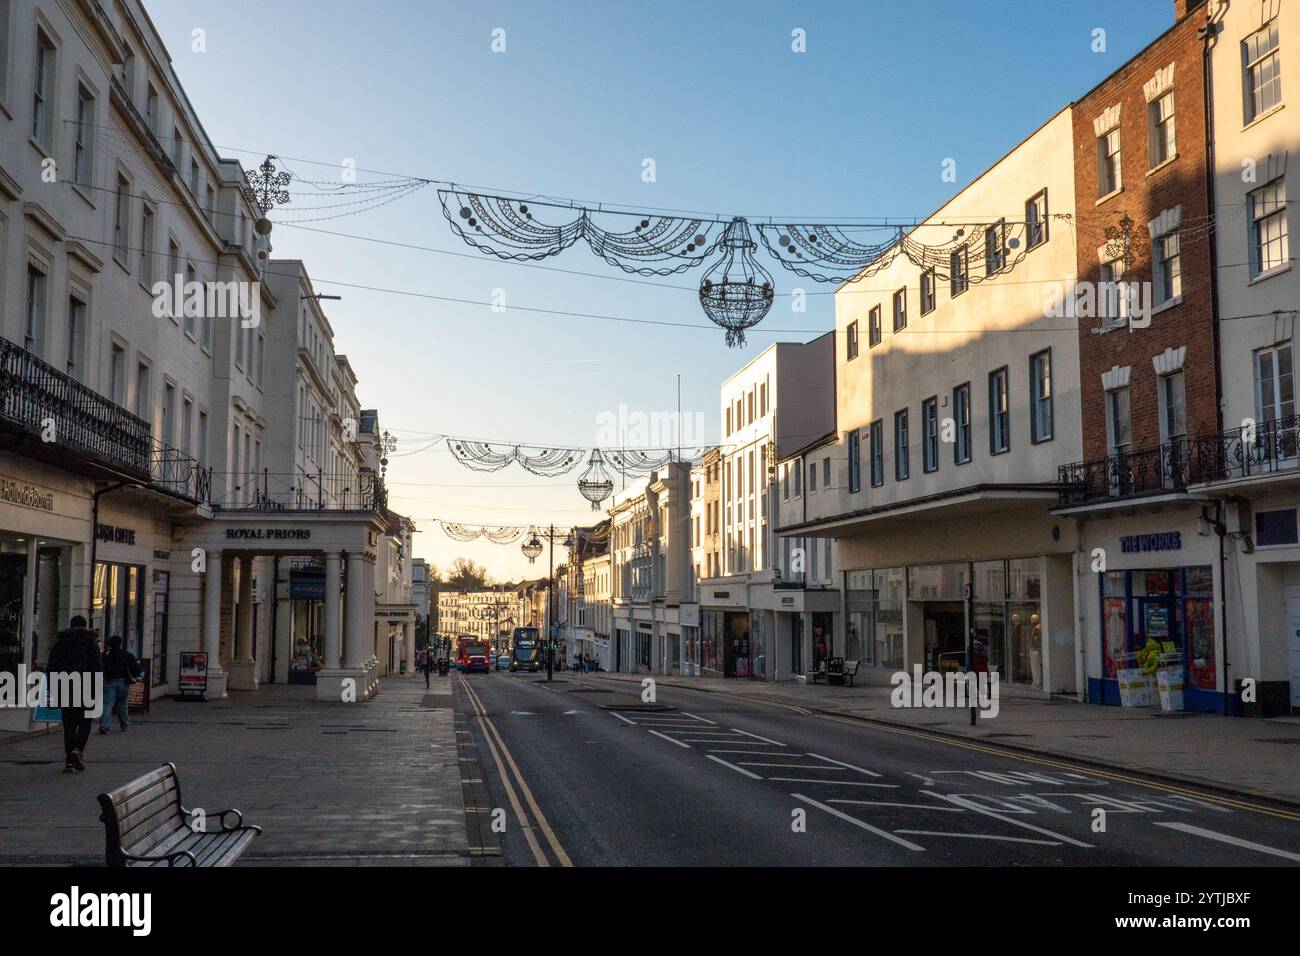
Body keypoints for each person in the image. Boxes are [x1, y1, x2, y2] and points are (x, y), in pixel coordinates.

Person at [46, 615, 102, 773]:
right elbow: (97, 668)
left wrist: (53, 689)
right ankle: (77, 750)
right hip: (86, 688)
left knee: (69, 725)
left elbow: (51, 668)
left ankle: (69, 760)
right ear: (85, 626)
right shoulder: (91, 644)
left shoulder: (60, 644)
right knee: (85, 722)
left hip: (64, 688)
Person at [100, 635, 140, 733]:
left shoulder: (105, 655)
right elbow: (136, 669)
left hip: (109, 681)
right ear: (120, 643)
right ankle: (124, 726)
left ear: (109, 644)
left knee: (107, 704)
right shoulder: (126, 654)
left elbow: (99, 667)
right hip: (123, 682)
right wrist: (132, 677)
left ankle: (104, 726)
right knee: (122, 704)